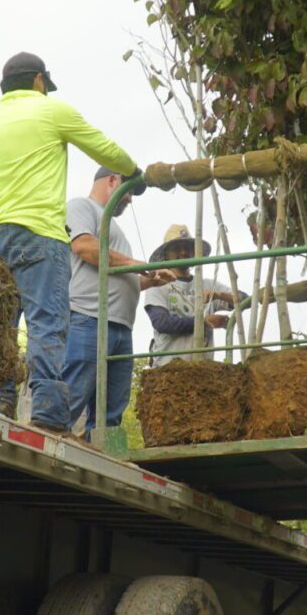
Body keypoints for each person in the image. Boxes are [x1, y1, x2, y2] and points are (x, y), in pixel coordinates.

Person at [0, 52, 139, 433]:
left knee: (0, 325)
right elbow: (105, 150)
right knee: (46, 323)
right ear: (39, 81)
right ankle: (47, 411)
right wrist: (133, 172)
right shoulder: (49, 110)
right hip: (38, 234)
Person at [64, 168, 176, 438]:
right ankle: (51, 445)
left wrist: (149, 281)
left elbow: (116, 276)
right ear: (112, 180)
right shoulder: (81, 207)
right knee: (73, 393)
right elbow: (84, 247)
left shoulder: (117, 231)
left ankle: (101, 460)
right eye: (128, 192)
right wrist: (133, 263)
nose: (130, 200)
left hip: (121, 327)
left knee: (111, 408)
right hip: (89, 318)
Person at [142, 223, 240, 356]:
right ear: (166, 255)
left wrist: (219, 295)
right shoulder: (158, 284)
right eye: (177, 248)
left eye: (187, 247)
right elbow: (162, 323)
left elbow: (243, 299)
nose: (183, 252)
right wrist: (204, 322)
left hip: (204, 367)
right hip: (169, 368)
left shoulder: (207, 284)